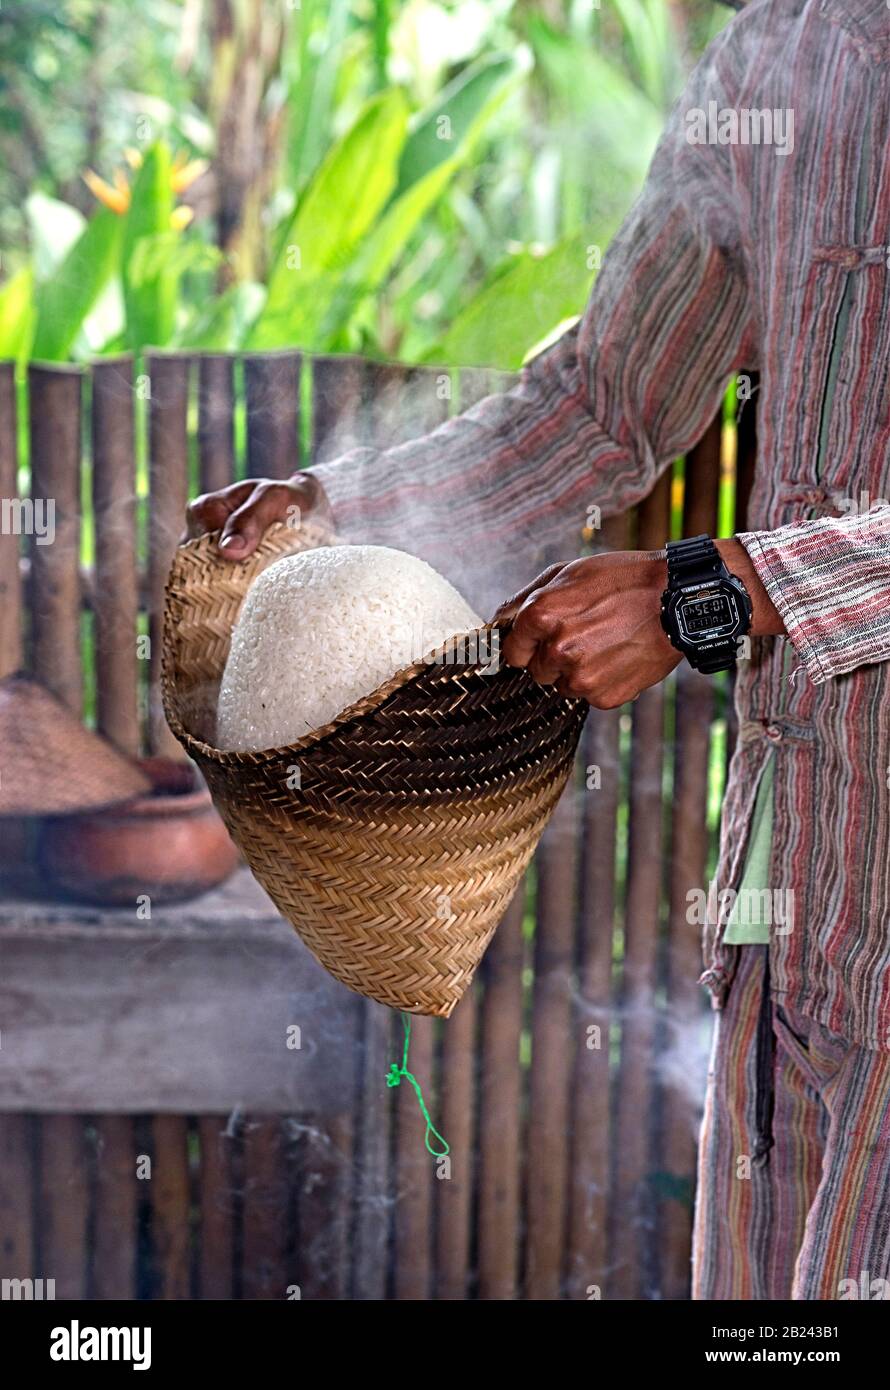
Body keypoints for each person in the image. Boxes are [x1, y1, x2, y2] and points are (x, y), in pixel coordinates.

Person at [186, 0, 890, 1300]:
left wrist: (723, 587)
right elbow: (606, 396)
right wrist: (342, 507)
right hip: (794, 913)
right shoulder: (776, 58)